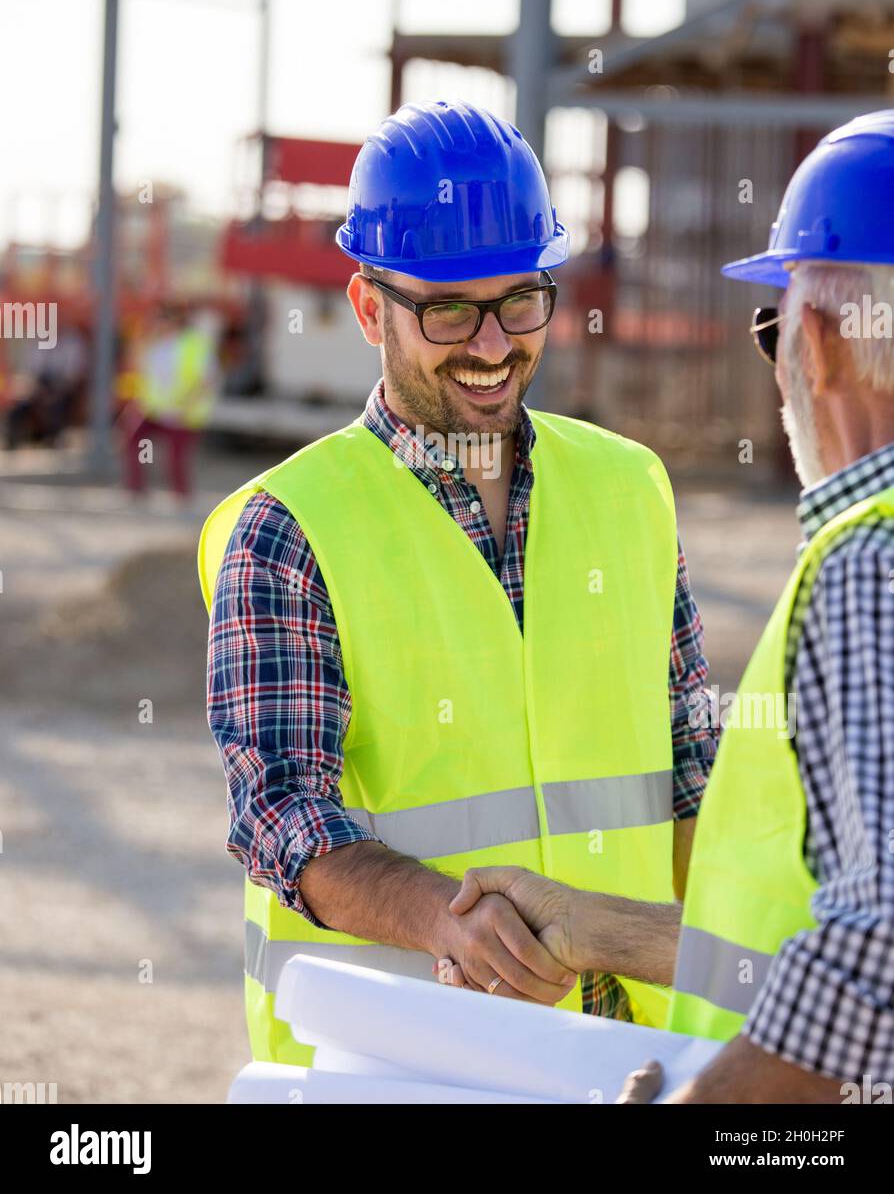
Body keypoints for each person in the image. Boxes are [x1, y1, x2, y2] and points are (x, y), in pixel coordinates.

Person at [198, 100, 715, 1066]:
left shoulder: (630, 488)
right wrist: (450, 921)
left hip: (630, 1050)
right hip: (402, 1059)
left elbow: (695, 774)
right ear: (368, 309)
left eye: (520, 302)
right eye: (447, 311)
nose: (491, 346)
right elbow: (281, 812)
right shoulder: (288, 529)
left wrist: (731, 986)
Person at [444, 110, 894, 1104]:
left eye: (769, 326)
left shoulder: (869, 564)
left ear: (814, 337)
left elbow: (877, 947)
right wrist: (598, 926)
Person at [123, 305, 216, 499]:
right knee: (135, 440)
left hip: (183, 411)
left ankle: (181, 494)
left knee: (176, 457)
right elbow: (139, 371)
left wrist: (187, 404)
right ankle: (137, 489)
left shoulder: (194, 344)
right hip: (154, 409)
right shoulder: (153, 344)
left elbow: (206, 379)